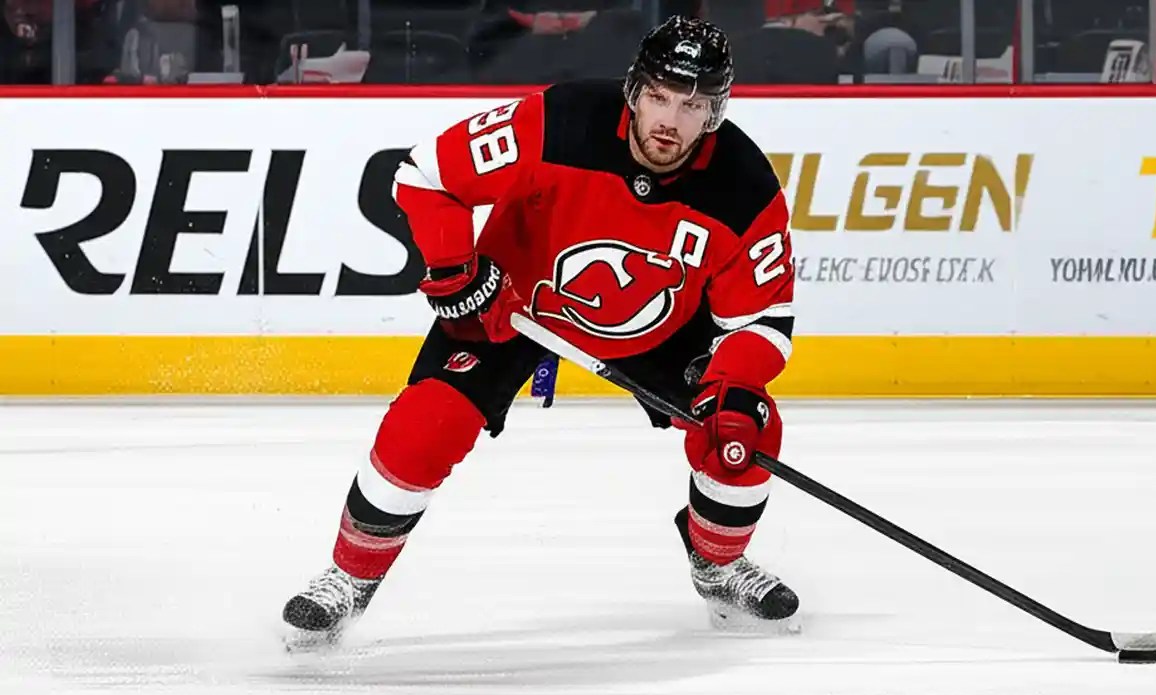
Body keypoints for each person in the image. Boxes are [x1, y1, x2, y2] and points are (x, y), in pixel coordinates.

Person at [280, 15, 799, 648]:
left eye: (691, 106)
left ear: (715, 111)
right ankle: (348, 578)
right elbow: (426, 175)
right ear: (635, 90)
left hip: (662, 330)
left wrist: (732, 385)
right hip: (513, 303)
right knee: (425, 423)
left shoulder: (745, 186)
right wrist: (457, 270)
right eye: (660, 97)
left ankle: (717, 567)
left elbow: (764, 320)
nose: (670, 120)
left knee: (746, 427)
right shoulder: (559, 121)